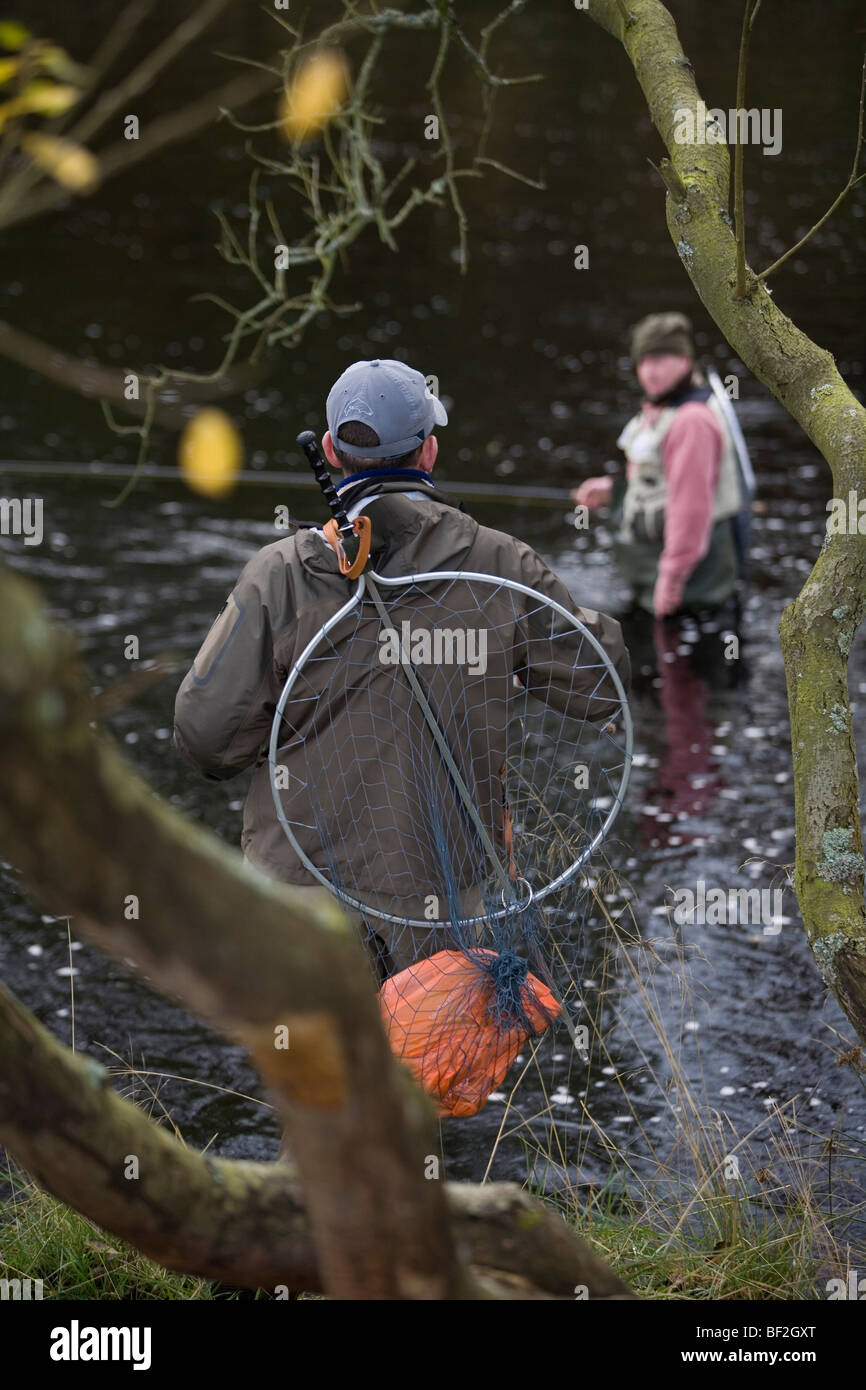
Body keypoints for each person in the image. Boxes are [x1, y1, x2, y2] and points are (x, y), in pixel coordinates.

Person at [174, 358, 630, 978]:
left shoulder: (278, 575)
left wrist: (278, 725)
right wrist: (512, 657)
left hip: (300, 904)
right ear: (430, 453)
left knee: (312, 1071)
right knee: (430, 1075)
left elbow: (206, 740)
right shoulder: (500, 564)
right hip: (444, 918)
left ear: (332, 451)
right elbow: (602, 680)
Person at [572, 312, 752, 620]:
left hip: (693, 588)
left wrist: (670, 580)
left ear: (684, 359)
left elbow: (691, 510)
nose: (648, 372)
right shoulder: (665, 405)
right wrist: (612, 490)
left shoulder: (691, 421)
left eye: (658, 360)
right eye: (642, 362)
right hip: (669, 570)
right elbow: (658, 477)